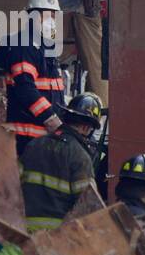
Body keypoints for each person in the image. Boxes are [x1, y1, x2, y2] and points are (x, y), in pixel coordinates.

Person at [19, 93, 102, 232]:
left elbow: (14, 185)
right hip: (57, 237)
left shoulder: (33, 145)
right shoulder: (80, 157)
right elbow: (88, 204)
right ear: (86, 127)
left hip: (23, 231)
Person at [4, 0, 66, 156]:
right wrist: (51, 118)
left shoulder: (47, 50)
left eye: (54, 16)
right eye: (46, 15)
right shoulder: (24, 46)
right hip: (27, 139)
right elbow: (25, 87)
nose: (51, 21)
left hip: (46, 138)